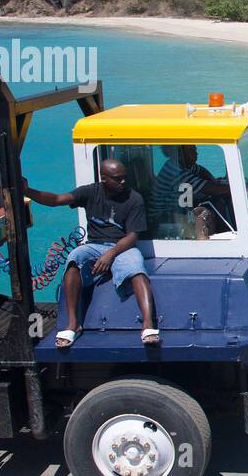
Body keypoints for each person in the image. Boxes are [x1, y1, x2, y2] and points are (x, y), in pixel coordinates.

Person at [26, 159, 159, 347]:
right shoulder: (90, 192)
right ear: (103, 178)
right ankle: (73, 323)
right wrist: (27, 191)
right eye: (117, 178)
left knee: (137, 269)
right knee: (74, 260)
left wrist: (111, 253)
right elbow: (56, 200)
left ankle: (148, 324)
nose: (123, 182)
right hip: (95, 245)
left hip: (122, 246)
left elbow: (133, 236)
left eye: (124, 178)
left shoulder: (134, 198)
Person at [149, 144, 232, 239]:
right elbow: (211, 189)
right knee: (203, 215)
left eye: (195, 149)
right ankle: (204, 246)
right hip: (161, 217)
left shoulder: (185, 165)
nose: (196, 153)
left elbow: (201, 171)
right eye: (191, 150)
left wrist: (212, 180)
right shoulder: (176, 172)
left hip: (175, 209)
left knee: (210, 206)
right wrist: (233, 189)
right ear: (179, 153)